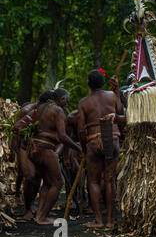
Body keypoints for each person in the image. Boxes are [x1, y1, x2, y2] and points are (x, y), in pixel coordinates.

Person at [24, 88, 82, 225]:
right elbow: (62, 136)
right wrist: (77, 147)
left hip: (34, 148)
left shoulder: (41, 108)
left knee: (47, 182)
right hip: (46, 149)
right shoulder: (58, 111)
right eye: (66, 100)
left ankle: (39, 214)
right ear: (61, 99)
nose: (67, 103)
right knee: (57, 183)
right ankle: (42, 217)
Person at [77, 70, 125, 228]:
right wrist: (116, 92)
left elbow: (81, 130)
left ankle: (99, 221)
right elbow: (119, 113)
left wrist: (84, 149)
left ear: (88, 84)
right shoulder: (112, 96)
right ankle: (110, 221)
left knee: (93, 181)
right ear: (103, 83)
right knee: (110, 180)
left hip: (93, 141)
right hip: (112, 138)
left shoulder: (84, 102)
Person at [12, 90, 55, 219]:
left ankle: (33, 207)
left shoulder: (46, 113)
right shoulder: (28, 111)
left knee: (38, 178)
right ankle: (27, 209)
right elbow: (16, 128)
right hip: (24, 147)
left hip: (38, 149)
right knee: (29, 176)